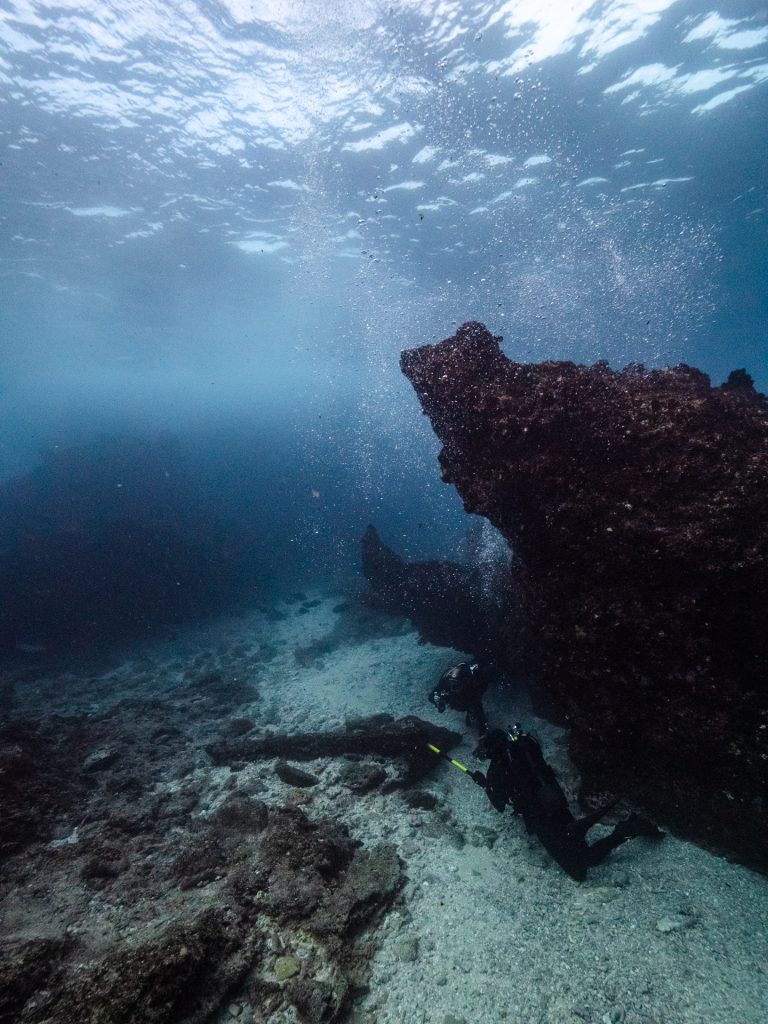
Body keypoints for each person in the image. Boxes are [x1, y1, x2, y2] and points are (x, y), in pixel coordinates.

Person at [473, 725, 665, 881]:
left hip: (541, 818)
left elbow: (499, 805)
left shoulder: (497, 770)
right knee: (573, 837)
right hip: (554, 799)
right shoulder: (523, 749)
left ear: (492, 752)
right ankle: (584, 827)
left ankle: (626, 829)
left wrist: (485, 784)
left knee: (579, 870)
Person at [428, 661, 489, 733]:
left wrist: (483, 728)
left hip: (469, 692)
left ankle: (471, 711)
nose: (453, 688)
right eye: (452, 684)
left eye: (457, 685)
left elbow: (478, 704)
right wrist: (438, 702)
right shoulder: (445, 682)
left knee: (474, 705)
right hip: (459, 692)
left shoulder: (471, 685)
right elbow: (431, 697)